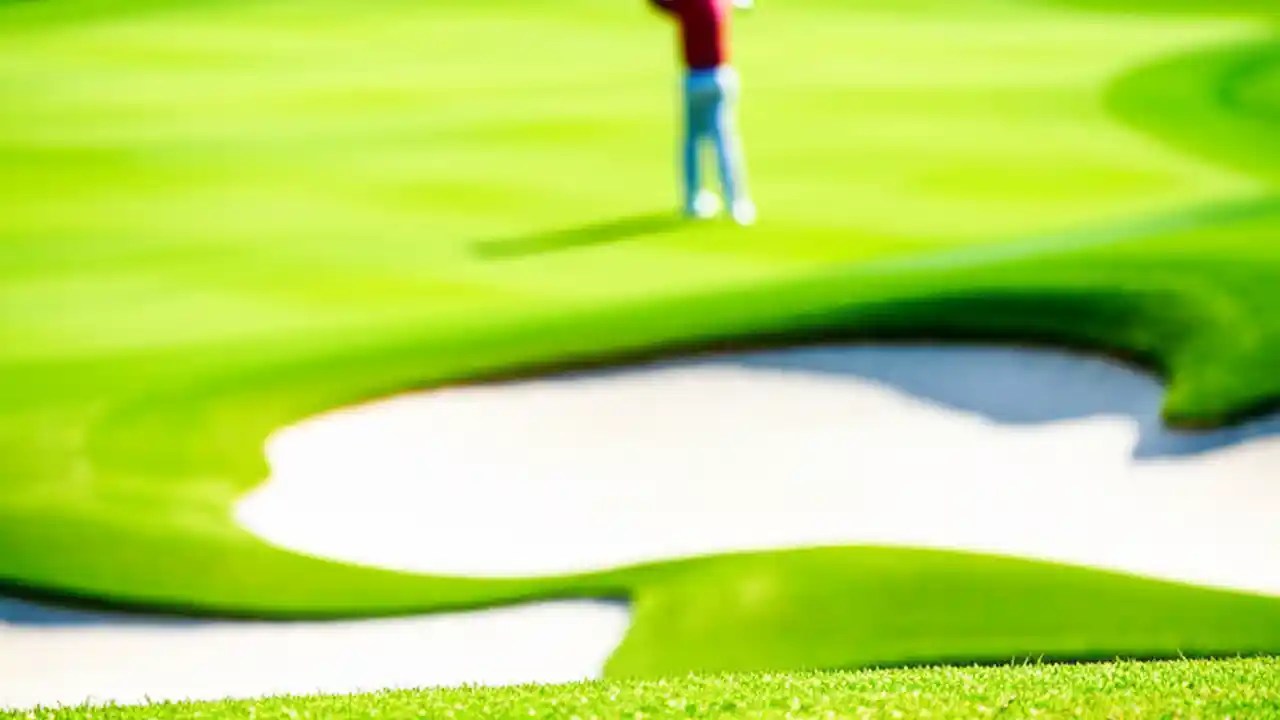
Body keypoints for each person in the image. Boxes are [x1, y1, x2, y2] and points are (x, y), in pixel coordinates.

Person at [648, 0, 756, 226]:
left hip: (695, 79)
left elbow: (659, 4)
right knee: (723, 139)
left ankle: (692, 200)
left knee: (692, 140)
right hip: (720, 77)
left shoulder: (689, 4)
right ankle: (736, 202)